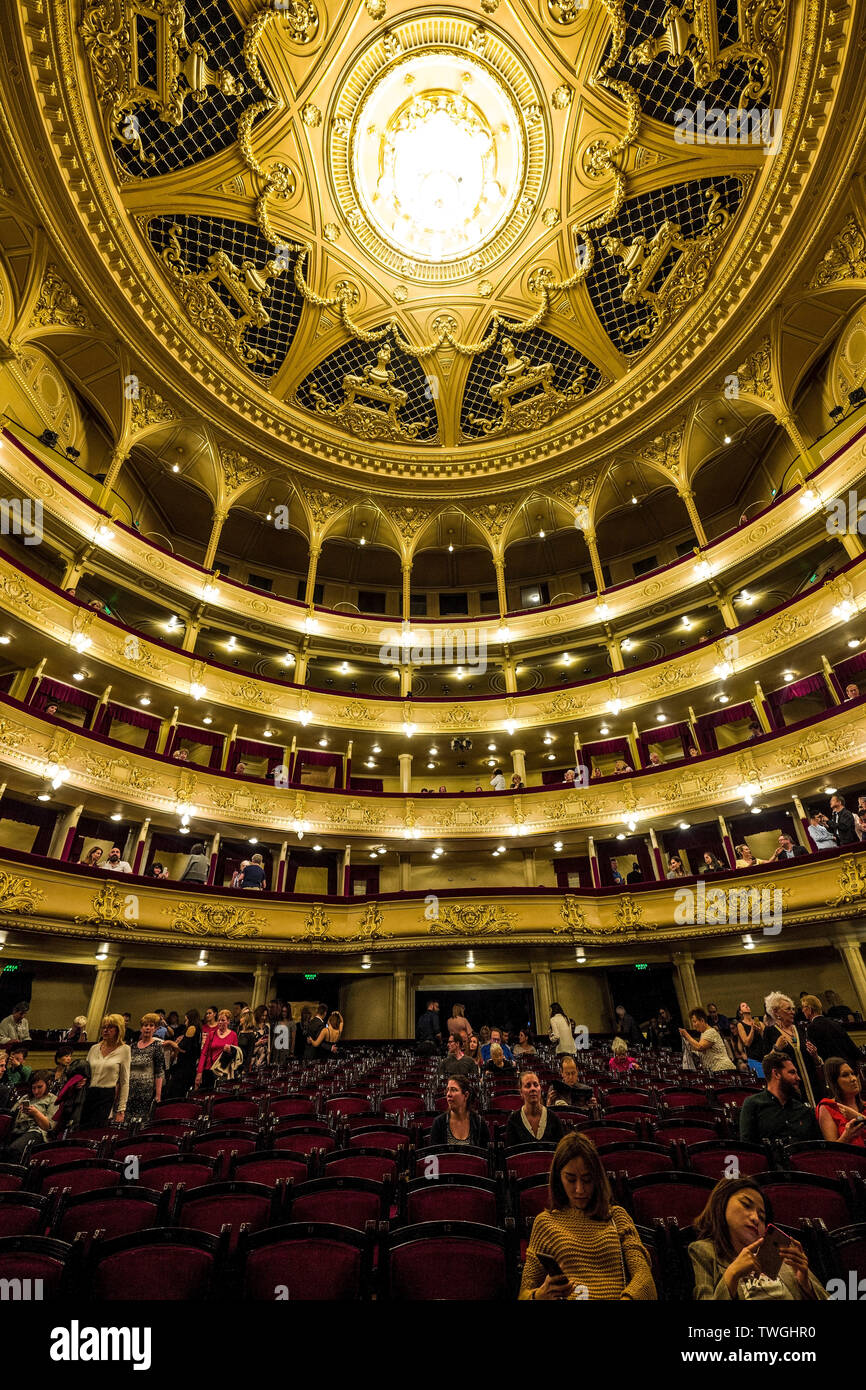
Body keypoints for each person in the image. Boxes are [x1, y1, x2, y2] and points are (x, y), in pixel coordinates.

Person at [519, 1132, 656, 1300]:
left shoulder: (617, 1217)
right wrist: (538, 1296)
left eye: (587, 1179)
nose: (579, 1189)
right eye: (570, 1179)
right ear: (558, 1178)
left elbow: (644, 1278)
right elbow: (524, 1293)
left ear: (597, 1179)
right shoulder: (545, 1223)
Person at [689, 1177, 825, 1301]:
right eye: (746, 1205)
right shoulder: (704, 1251)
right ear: (722, 1204)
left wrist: (806, 1285)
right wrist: (731, 1275)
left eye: (762, 1217)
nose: (755, 1218)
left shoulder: (781, 1253)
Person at [739, 1050, 821, 1144]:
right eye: (792, 1072)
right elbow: (749, 1148)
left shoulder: (804, 1110)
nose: (798, 1078)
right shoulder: (753, 1104)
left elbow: (817, 1149)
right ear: (776, 1074)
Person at [762, 991, 820, 1108]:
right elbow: (766, 1063)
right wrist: (776, 1048)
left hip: (812, 1084)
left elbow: (817, 1061)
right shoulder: (770, 1032)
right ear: (776, 1012)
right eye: (788, 1009)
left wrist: (815, 1056)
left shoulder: (801, 1029)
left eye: (793, 1009)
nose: (793, 1012)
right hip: (790, 1088)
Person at [83, 1014, 130, 1125]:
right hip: (88, 1093)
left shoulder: (125, 1050)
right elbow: (85, 1073)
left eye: (110, 1027)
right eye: (104, 1027)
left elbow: (124, 1082)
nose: (105, 1030)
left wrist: (121, 1109)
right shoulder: (94, 1048)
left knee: (97, 1130)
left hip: (106, 1094)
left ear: (118, 1030)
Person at [125, 1013, 166, 1124]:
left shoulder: (157, 1046)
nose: (148, 1028)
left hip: (146, 1093)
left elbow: (159, 1072)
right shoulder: (132, 1046)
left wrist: (158, 1095)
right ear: (141, 1028)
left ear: (156, 1029)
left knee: (141, 1123)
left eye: (151, 1025)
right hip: (129, 1091)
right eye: (145, 1025)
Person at [505, 1070, 564, 1146]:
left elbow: (561, 1152)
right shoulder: (513, 1120)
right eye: (528, 1086)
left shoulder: (553, 1118)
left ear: (540, 1089)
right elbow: (511, 1155)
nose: (533, 1089)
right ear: (521, 1092)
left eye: (536, 1085)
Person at [7, 1072, 58, 1158]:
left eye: (39, 1087)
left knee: (14, 1150)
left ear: (48, 1084)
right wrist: (18, 1111)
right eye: (33, 1088)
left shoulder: (53, 1099)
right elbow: (10, 1115)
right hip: (17, 1129)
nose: (36, 1091)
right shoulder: (26, 1097)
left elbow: (48, 1126)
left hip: (37, 1131)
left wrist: (36, 1113)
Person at [816, 1057, 866, 1146]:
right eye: (845, 1075)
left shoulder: (864, 1105)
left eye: (853, 1073)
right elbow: (833, 1150)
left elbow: (859, 1118)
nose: (853, 1079)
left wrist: (858, 1117)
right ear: (834, 1082)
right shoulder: (828, 1107)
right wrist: (846, 1136)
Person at [430, 1076, 489, 1148]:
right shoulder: (439, 1123)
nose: (448, 1094)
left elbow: (486, 1155)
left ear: (466, 1095)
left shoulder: (479, 1122)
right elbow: (435, 1156)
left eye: (453, 1090)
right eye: (447, 1090)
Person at [800, 994, 860, 1065]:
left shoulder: (811, 1027)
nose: (802, 1010)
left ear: (810, 1009)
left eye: (803, 1007)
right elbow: (853, 1049)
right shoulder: (835, 1024)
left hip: (832, 1068)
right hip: (849, 1065)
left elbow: (817, 1056)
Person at [679, 1008, 735, 1073]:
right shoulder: (703, 1034)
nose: (693, 1025)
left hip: (723, 1070)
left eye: (694, 1021)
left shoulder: (710, 1032)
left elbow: (700, 1047)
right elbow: (703, 1052)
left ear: (702, 1021)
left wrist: (686, 1035)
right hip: (715, 1071)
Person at [196, 1009, 238, 1091]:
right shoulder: (212, 1034)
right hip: (209, 1069)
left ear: (228, 1021)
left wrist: (230, 1050)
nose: (220, 1022)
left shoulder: (233, 1035)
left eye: (223, 1020)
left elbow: (235, 1054)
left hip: (223, 1071)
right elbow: (204, 1053)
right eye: (219, 1020)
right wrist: (199, 1072)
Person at [164, 1009, 201, 1098]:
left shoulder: (192, 1028)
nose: (185, 1023)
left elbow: (183, 1048)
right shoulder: (198, 1028)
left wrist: (170, 1042)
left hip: (185, 1066)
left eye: (186, 1020)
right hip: (189, 1065)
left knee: (176, 1092)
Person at [734, 1004, 765, 1075]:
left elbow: (765, 1039)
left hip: (764, 1056)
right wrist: (752, 1030)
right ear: (740, 1012)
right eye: (743, 1006)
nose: (747, 1006)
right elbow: (747, 1043)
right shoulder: (740, 1025)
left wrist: (760, 1031)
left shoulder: (759, 1022)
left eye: (747, 1005)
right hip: (754, 1058)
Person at [251, 1005, 271, 1070]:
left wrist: (268, 1055)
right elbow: (249, 1045)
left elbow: (269, 1043)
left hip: (264, 1055)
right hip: (254, 1054)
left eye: (265, 1015)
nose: (264, 1018)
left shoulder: (267, 1026)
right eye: (262, 1015)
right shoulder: (253, 1026)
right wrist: (258, 1043)